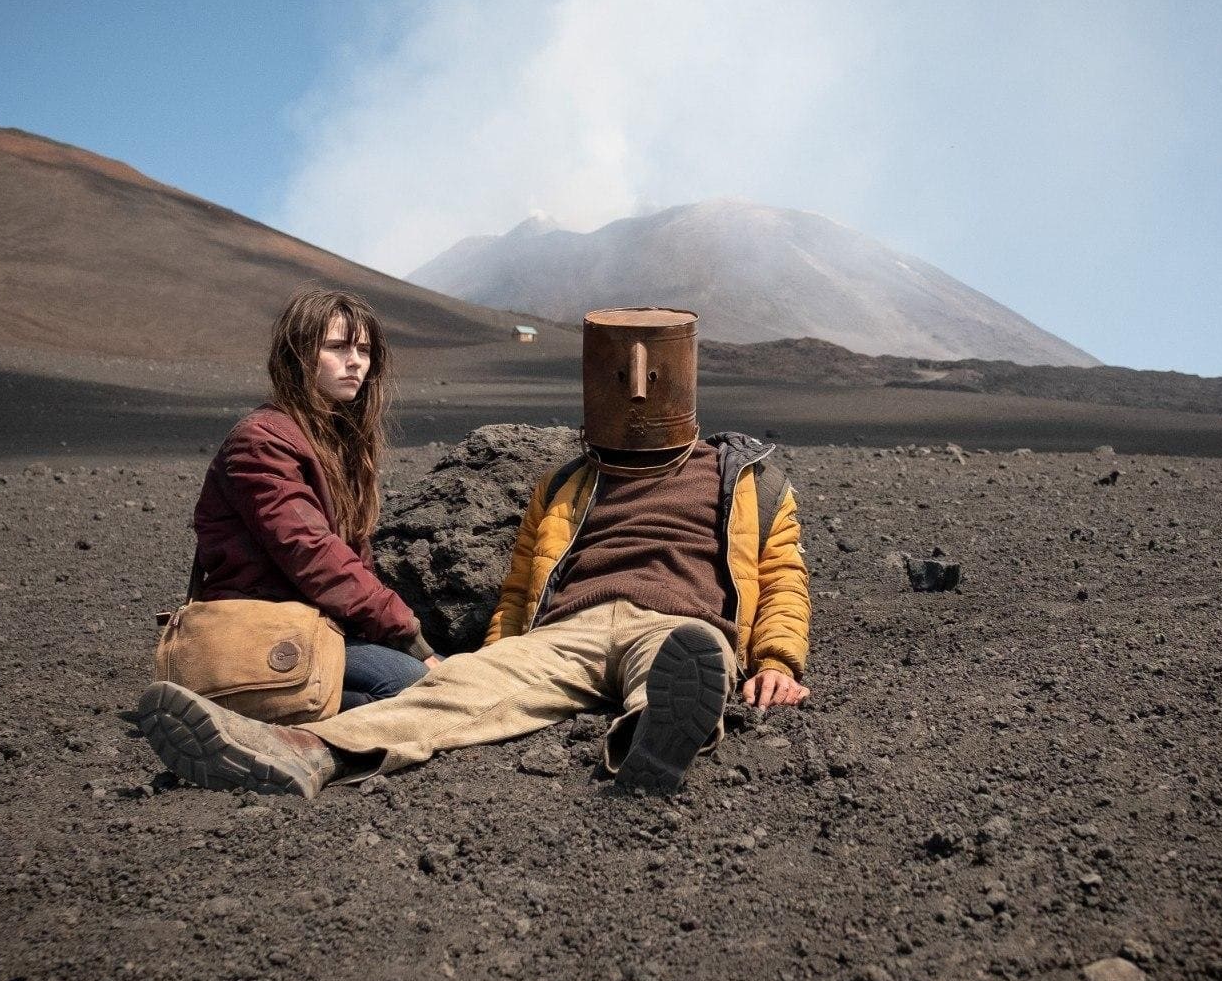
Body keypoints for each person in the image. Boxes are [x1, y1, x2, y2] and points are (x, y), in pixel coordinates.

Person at [139, 306, 809, 795]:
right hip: (566, 631)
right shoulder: (568, 482)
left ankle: (651, 738)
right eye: (338, 349)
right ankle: (308, 751)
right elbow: (520, 589)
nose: (636, 392)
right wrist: (495, 655)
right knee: (453, 689)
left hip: (680, 624)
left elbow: (781, 576)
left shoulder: (742, 476)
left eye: (362, 350)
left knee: (679, 667)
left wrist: (776, 658)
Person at [186, 286, 438, 712]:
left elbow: (351, 555)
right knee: (411, 685)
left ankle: (288, 716)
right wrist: (407, 635)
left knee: (434, 683)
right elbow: (313, 553)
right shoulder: (262, 440)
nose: (355, 361)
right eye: (337, 347)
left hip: (317, 621)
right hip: (265, 624)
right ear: (299, 355)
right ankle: (270, 724)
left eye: (364, 349)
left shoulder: (335, 440)